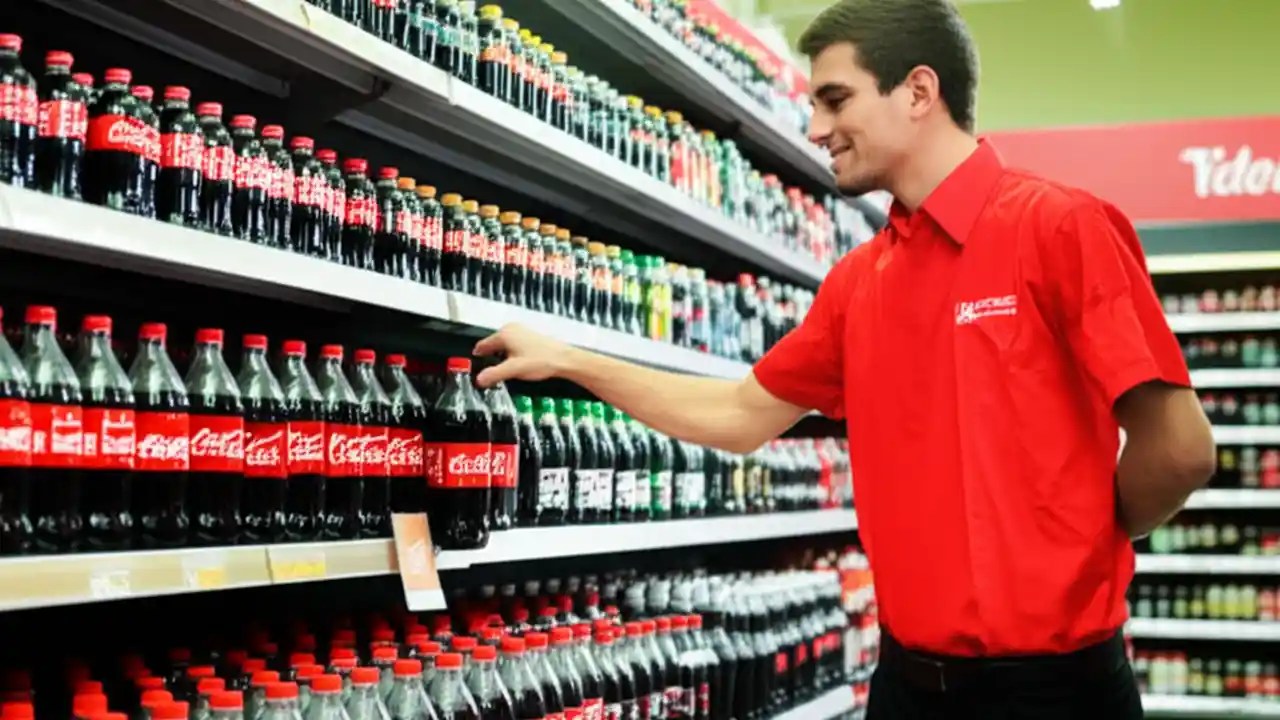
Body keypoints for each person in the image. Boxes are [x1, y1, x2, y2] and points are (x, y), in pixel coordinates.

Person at [472, 0, 1215, 716]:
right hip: (903, 685)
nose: (816, 127)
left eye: (835, 99)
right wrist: (572, 360)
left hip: (1055, 691)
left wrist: (1075, 540)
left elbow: (1179, 451)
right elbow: (737, 415)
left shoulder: (1059, 227)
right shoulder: (859, 284)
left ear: (919, 91)